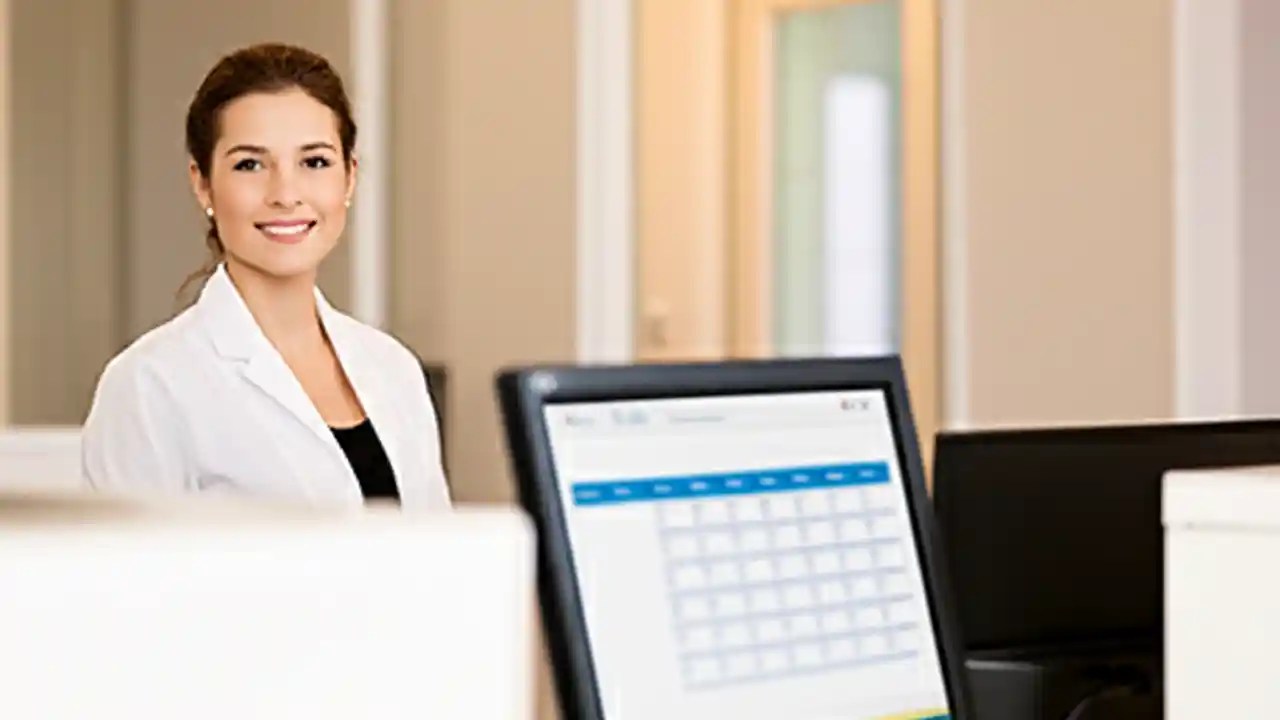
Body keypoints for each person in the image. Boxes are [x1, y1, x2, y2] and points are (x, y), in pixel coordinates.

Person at [81, 43, 450, 511]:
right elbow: (125, 578)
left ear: (350, 178)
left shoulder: (393, 367)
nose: (285, 193)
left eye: (314, 162)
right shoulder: (149, 384)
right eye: (250, 164)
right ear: (202, 183)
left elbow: (442, 562)